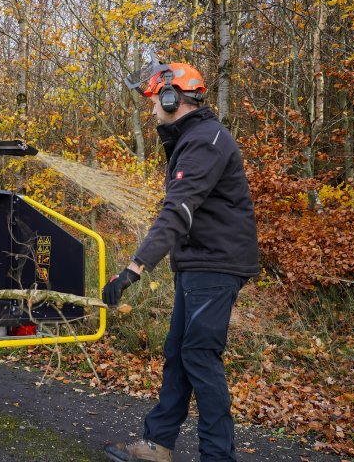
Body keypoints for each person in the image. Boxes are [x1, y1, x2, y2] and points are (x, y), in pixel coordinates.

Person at [102, 56, 260, 462]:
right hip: (197, 263)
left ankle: (218, 456)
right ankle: (157, 444)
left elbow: (179, 211)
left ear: (174, 99)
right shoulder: (194, 139)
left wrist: (132, 270)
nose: (152, 109)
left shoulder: (206, 140)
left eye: (155, 100)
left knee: (199, 355)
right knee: (178, 352)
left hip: (217, 264)